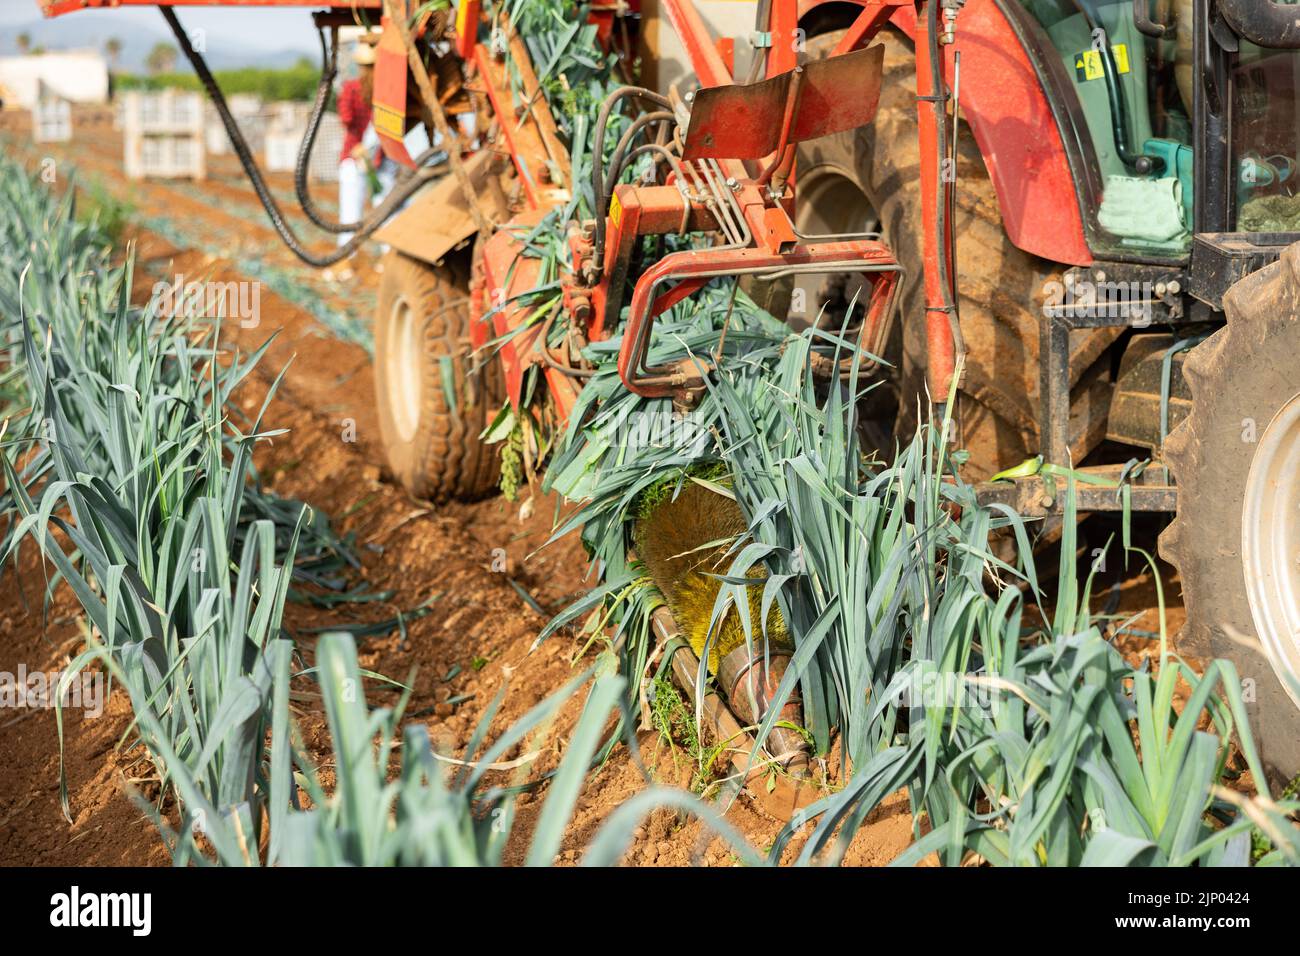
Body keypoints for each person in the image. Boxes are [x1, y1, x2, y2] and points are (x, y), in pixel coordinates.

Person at [337, 41, 377, 247]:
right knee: (387, 210)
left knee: (350, 212)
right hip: (380, 158)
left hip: (354, 156)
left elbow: (345, 119)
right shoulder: (385, 90)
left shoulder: (351, 88)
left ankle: (348, 257)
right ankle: (389, 257)